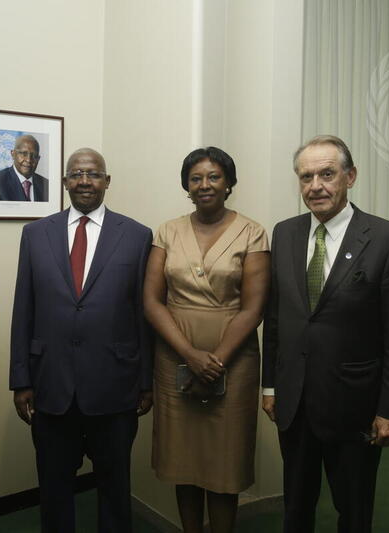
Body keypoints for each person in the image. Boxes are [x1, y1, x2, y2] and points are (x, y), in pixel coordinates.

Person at [262, 135, 389, 532]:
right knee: (296, 508)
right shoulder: (285, 233)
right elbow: (277, 318)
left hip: (355, 406)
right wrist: (271, 387)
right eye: (306, 176)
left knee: (354, 508)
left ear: (350, 176)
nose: (316, 186)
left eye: (327, 174)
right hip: (294, 403)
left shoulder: (387, 240)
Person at [9, 148, 152, 532]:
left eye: (93, 174)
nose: (84, 181)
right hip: (51, 383)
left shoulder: (137, 235)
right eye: (76, 174)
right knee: (54, 488)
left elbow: (143, 313)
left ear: (107, 181)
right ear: (64, 182)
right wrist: (21, 379)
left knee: (114, 486)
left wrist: (146, 381)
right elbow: (24, 307)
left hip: (115, 384)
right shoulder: (35, 234)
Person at [144, 147, 270, 533]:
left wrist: (214, 360)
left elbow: (254, 308)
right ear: (186, 185)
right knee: (183, 459)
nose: (205, 185)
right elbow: (151, 300)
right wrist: (189, 355)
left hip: (234, 359)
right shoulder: (167, 230)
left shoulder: (252, 232)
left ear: (229, 183)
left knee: (223, 460)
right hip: (174, 355)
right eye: (196, 178)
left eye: (214, 177)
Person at [0, 134, 49, 202]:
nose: (28, 160)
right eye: (24, 154)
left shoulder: (46, 185)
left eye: (34, 156)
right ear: (13, 154)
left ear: (38, 159)